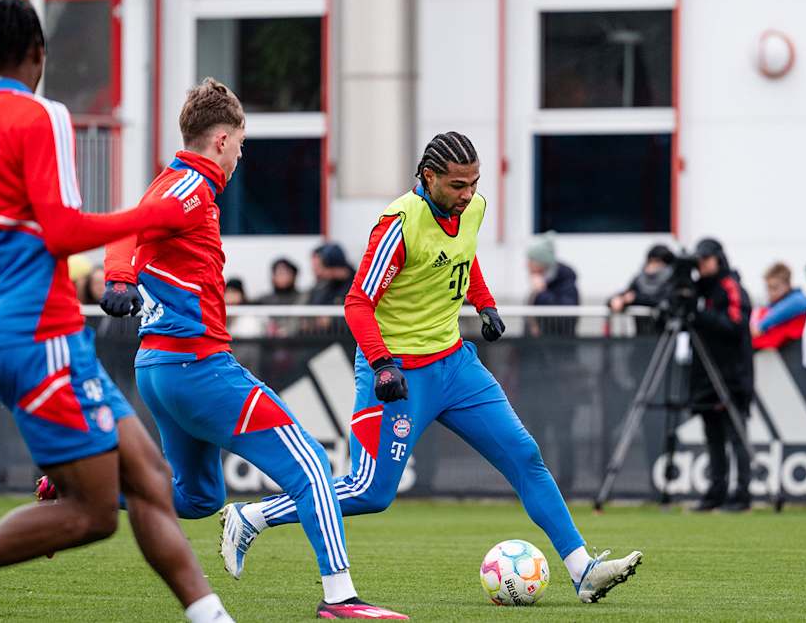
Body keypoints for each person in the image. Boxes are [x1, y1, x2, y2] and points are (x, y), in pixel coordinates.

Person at [0, 0, 234, 622]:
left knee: (148, 477)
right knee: (92, 513)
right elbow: (60, 231)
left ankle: (211, 616)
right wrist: (151, 215)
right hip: (38, 330)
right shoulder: (41, 114)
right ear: (38, 53)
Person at [222, 132, 642, 603]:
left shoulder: (472, 208)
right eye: (458, 185)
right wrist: (382, 364)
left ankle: (583, 569)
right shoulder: (398, 225)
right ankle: (252, 516)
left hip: (456, 366)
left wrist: (484, 302)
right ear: (429, 176)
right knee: (371, 492)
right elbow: (357, 303)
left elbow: (463, 255)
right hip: (398, 374)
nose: (468, 194)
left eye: (474, 183)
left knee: (524, 455)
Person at [91, 78, 405, 619]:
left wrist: (124, 279)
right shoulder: (190, 189)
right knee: (312, 467)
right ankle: (341, 598)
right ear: (221, 141)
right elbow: (124, 230)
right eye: (240, 142)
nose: (241, 153)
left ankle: (85, 487)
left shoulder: (176, 183)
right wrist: (118, 279)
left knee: (198, 498)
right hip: (197, 367)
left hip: (159, 368)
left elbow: (133, 226)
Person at [691, 238, 755, 512]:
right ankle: (716, 491)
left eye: (706, 259)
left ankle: (742, 493)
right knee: (713, 436)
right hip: (704, 375)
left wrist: (701, 315)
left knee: (736, 434)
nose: (702, 265)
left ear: (718, 259)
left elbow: (736, 324)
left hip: (732, 375)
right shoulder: (697, 289)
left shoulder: (731, 286)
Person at [526, 231, 580, 336]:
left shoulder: (565, 282)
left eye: (531, 261)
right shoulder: (544, 281)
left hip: (557, 343)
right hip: (538, 343)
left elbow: (566, 316)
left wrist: (541, 293)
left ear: (542, 263)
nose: (527, 266)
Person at [751, 261, 806, 338]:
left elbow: (800, 302)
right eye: (768, 288)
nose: (771, 293)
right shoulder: (771, 306)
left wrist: (761, 326)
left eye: (774, 288)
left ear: (787, 284)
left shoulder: (798, 300)